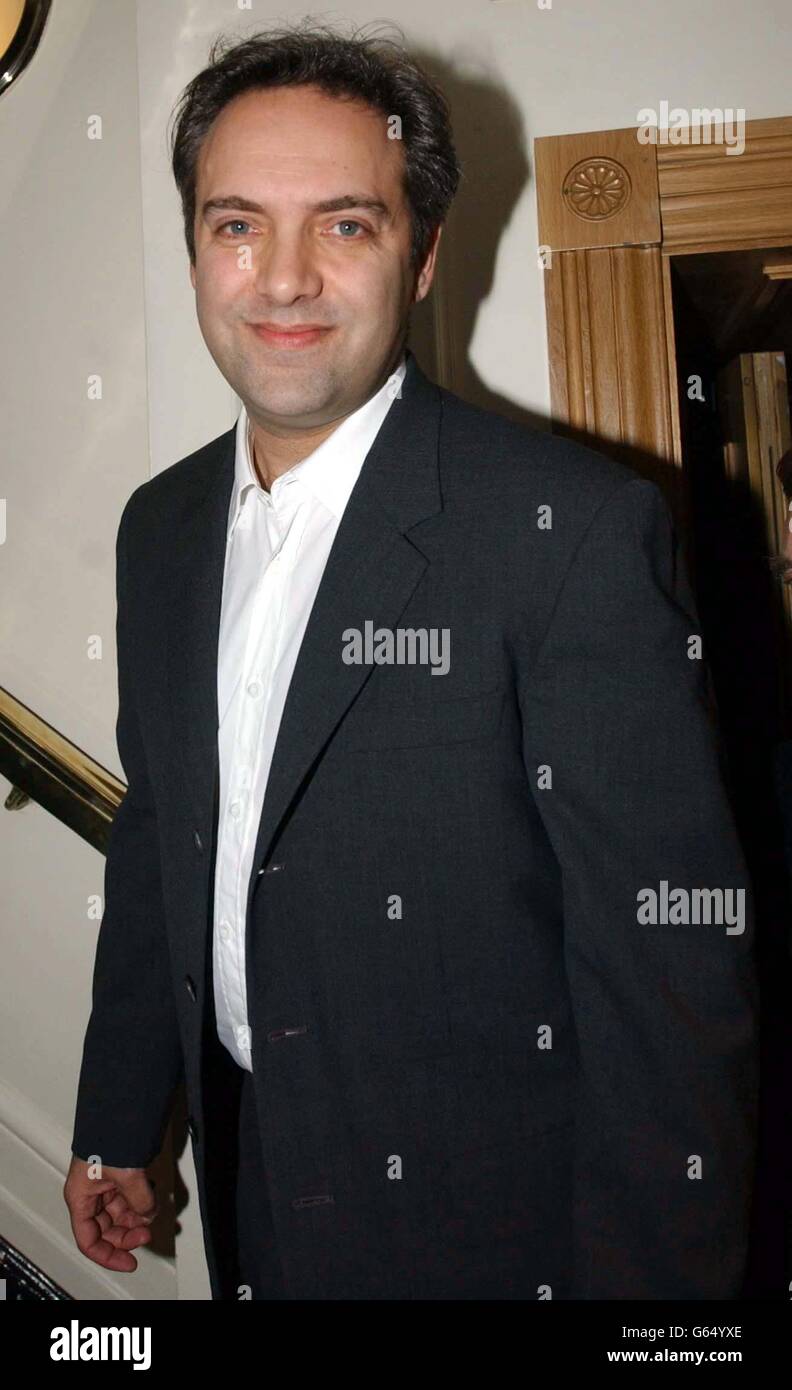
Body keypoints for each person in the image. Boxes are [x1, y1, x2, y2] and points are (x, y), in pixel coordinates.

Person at [64, 23, 759, 1300]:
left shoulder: (570, 535)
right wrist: (119, 1118)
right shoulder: (157, 530)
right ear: (194, 250)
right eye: (235, 225)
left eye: (344, 225)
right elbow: (164, 833)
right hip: (253, 1182)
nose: (282, 279)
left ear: (426, 254)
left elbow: (673, 981)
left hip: (496, 1239)